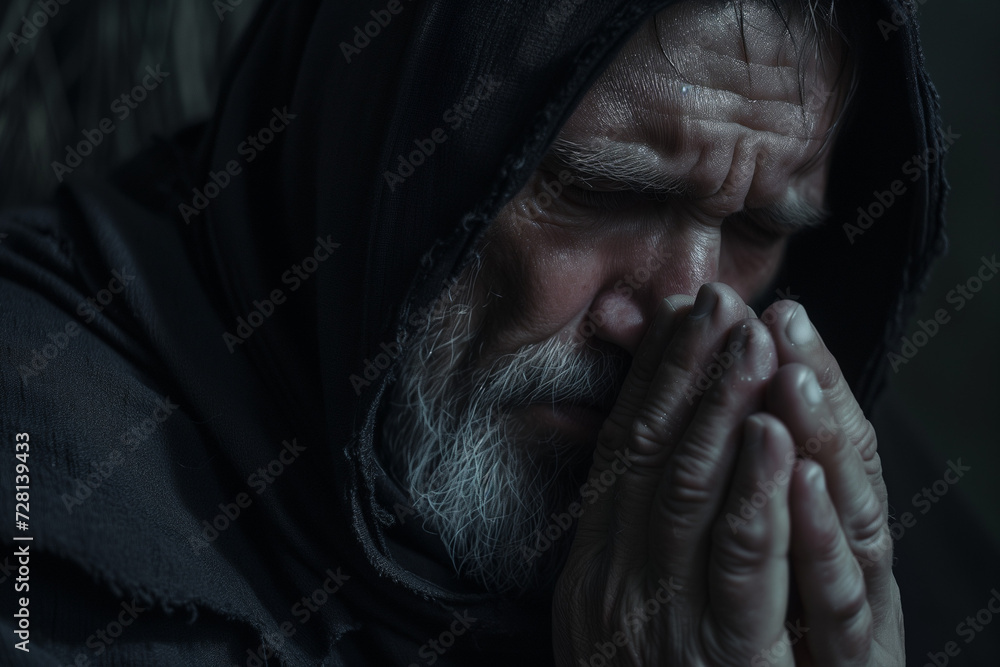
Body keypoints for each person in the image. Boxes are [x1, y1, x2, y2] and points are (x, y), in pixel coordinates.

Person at [0, 0, 996, 665]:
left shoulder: (817, 482)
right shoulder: (48, 471)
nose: (687, 310)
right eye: (597, 190)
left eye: (757, 228)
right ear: (379, 147)